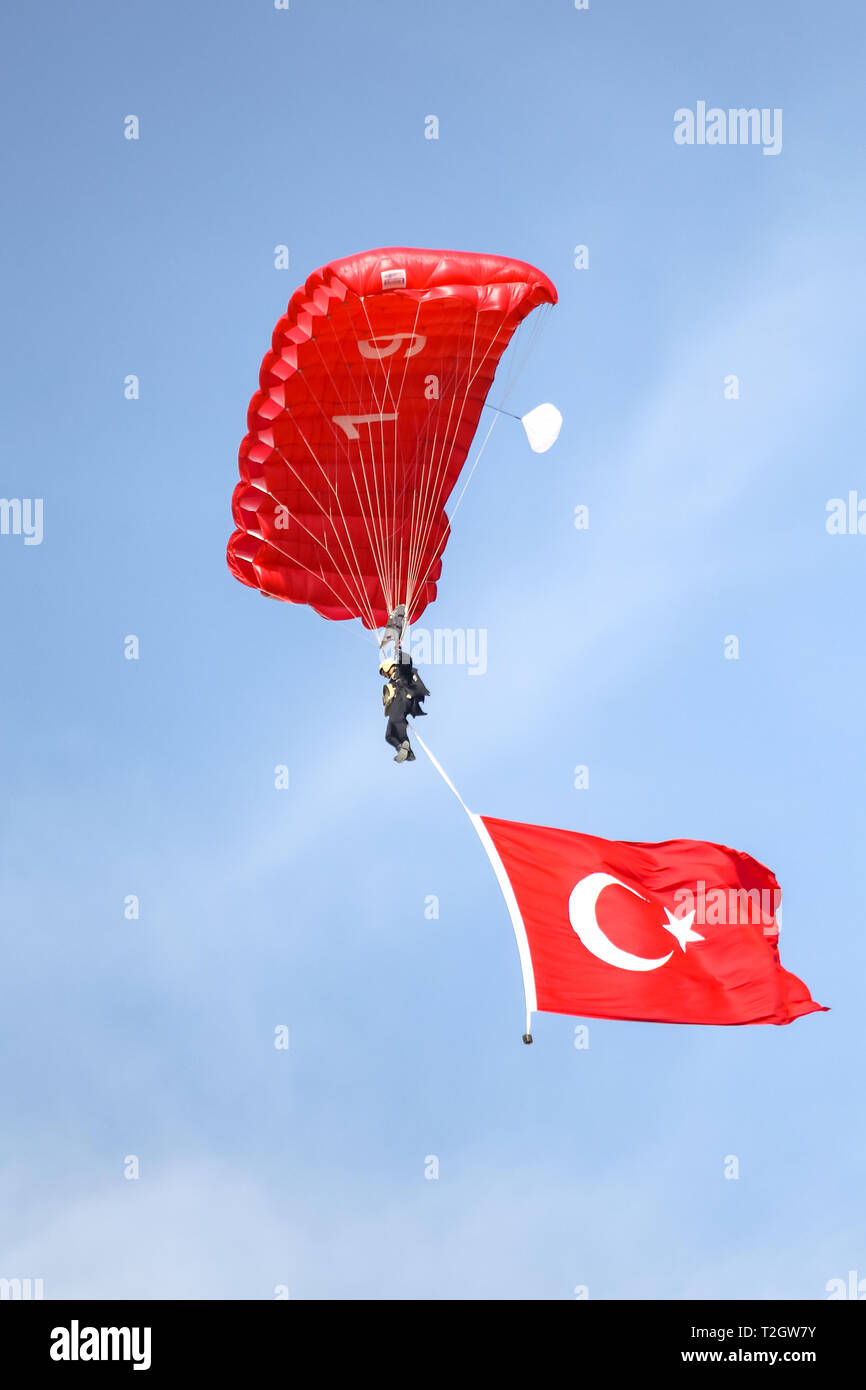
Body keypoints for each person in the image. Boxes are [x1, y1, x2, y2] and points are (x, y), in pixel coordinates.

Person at [379, 651, 430, 762]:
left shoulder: (400, 671)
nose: (384, 675)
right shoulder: (391, 682)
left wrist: (400, 651)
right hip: (398, 705)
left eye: (383, 672)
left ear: (388, 667)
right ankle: (407, 752)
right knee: (389, 735)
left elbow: (407, 663)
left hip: (405, 698)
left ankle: (403, 740)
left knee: (396, 719)